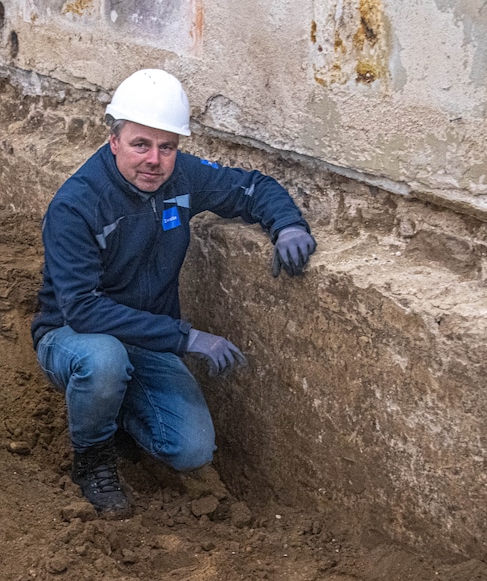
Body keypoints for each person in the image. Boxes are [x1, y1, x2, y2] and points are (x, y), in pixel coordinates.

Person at [31, 68, 317, 516]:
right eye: (140, 144)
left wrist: (288, 224)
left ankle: (113, 408)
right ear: (113, 140)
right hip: (73, 336)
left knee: (191, 449)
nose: (155, 160)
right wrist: (188, 338)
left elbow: (251, 187)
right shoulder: (77, 205)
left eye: (167, 147)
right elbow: (83, 309)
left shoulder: (180, 177)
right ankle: (93, 458)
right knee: (104, 360)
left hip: (146, 338)